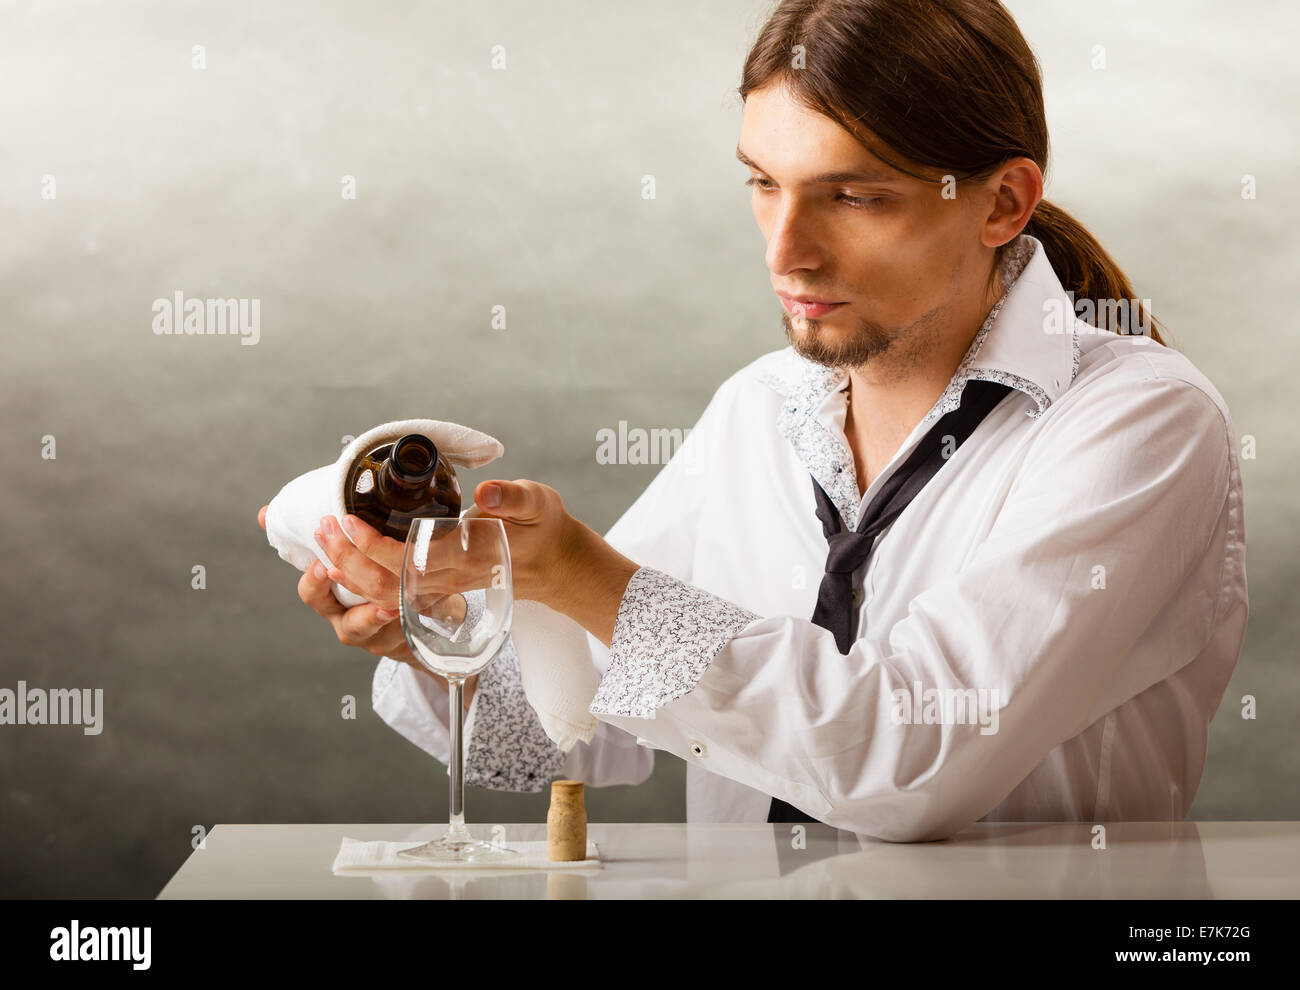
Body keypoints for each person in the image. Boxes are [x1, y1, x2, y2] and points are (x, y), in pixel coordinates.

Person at [258, 0, 1247, 841]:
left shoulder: (1142, 426)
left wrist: (585, 575)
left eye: (852, 196)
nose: (787, 253)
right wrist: (437, 632)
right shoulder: (759, 409)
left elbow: (909, 759)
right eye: (762, 184)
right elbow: (584, 719)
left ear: (1002, 203)